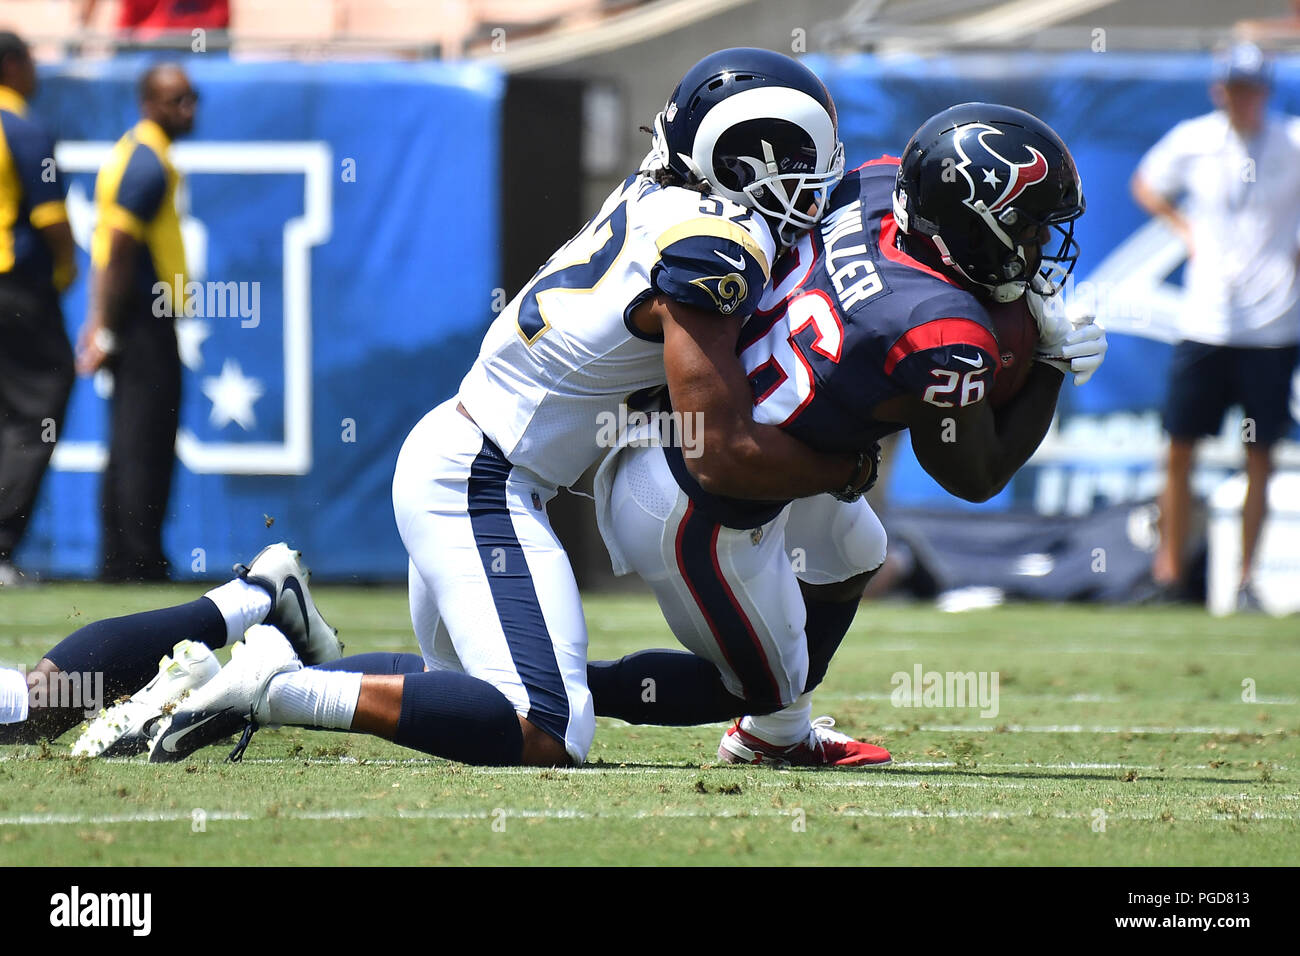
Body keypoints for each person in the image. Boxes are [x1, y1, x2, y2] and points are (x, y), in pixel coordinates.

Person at [147, 48, 882, 767]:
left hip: (463, 456)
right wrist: (840, 460)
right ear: (748, 160)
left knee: (459, 695)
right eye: (803, 158)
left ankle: (234, 677)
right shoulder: (716, 243)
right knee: (546, 730)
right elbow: (712, 442)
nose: (817, 181)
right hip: (481, 480)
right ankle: (278, 690)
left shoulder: (664, 199)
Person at [585, 103, 1106, 766]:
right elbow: (974, 476)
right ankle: (546, 683)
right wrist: (1050, 369)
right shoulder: (937, 329)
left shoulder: (879, 186)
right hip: (701, 487)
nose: (1040, 248)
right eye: (1028, 229)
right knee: (756, 684)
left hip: (710, 430)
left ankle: (775, 737)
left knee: (851, 550)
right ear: (975, 228)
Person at [1131, 42, 1300, 610]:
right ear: (1218, 90)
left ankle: (1247, 581)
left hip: (1272, 328)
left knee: (1261, 456)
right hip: (1206, 322)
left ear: (1266, 92)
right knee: (1178, 449)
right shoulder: (1195, 139)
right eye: (1235, 88)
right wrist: (1184, 231)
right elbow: (1146, 182)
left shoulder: (1292, 141)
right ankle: (1170, 574)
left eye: (1253, 89)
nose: (1244, 99)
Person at [76, 62, 197, 582]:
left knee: (133, 435)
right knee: (144, 437)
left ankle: (124, 554)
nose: (187, 109)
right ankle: (136, 558)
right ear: (149, 103)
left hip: (138, 313)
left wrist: (101, 320)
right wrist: (103, 325)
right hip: (143, 316)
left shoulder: (142, 153)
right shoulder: (147, 162)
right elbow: (118, 249)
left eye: (191, 98)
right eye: (176, 100)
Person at [0, 32, 77, 587]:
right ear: (11, 64)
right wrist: (68, 267)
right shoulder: (21, 126)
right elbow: (50, 218)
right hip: (14, 286)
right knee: (38, 407)